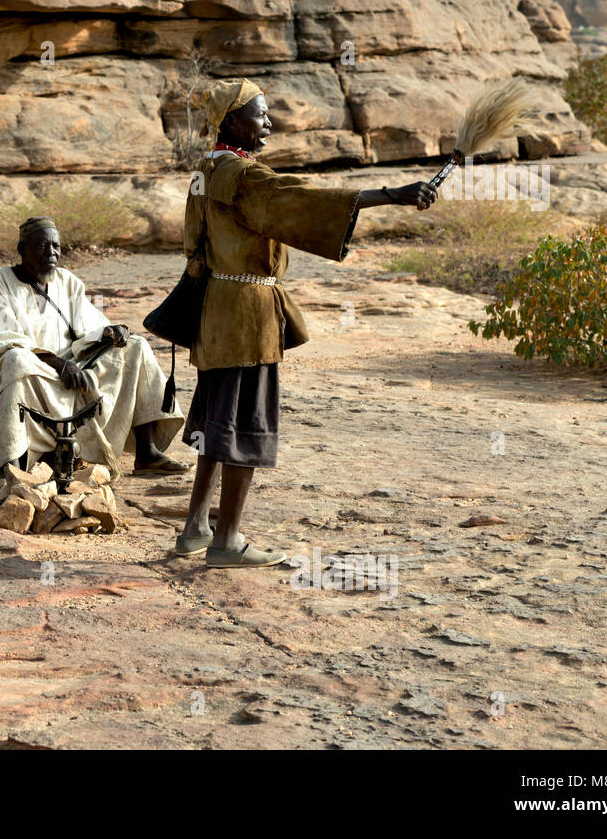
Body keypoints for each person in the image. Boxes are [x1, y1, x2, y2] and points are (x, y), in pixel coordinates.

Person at [176, 79, 438, 568]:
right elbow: (303, 199)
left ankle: (195, 527)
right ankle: (226, 541)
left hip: (215, 311)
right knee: (244, 425)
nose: (269, 123)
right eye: (260, 114)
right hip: (247, 317)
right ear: (231, 120)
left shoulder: (206, 170)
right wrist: (392, 194)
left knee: (216, 421)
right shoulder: (244, 175)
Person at [0, 217, 187, 491]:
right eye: (42, 246)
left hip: (70, 364)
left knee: (135, 346)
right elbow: (3, 338)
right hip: (28, 367)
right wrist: (59, 364)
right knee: (17, 360)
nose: (51, 253)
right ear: (21, 249)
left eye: (56, 247)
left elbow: (88, 327)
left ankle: (147, 452)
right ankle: (11, 465)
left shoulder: (67, 281)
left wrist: (109, 332)